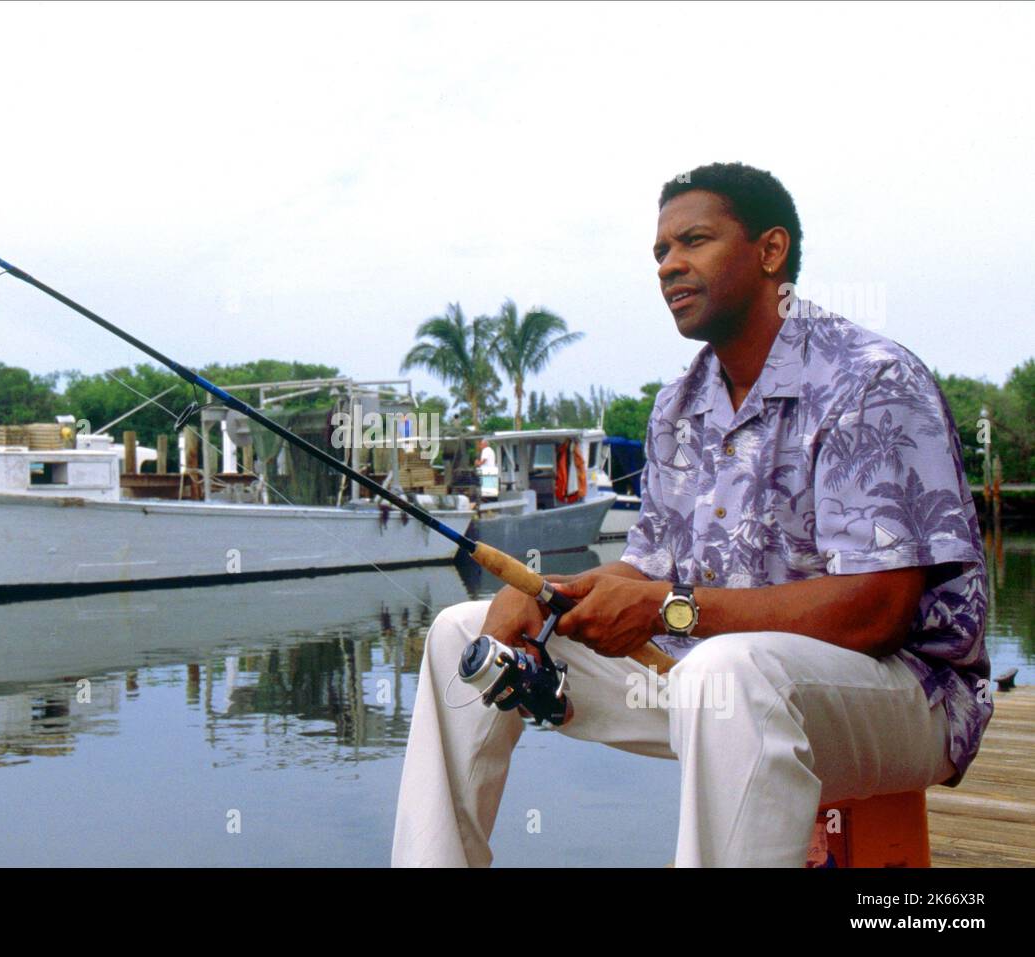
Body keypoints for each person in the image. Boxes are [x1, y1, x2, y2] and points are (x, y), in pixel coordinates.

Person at [391, 162, 991, 867]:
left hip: (907, 698)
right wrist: (545, 597)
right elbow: (646, 569)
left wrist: (667, 609)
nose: (669, 266)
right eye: (659, 253)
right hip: (711, 685)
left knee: (728, 672)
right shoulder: (679, 402)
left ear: (771, 252)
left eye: (694, 241)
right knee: (463, 628)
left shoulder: (870, 380)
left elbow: (876, 612)